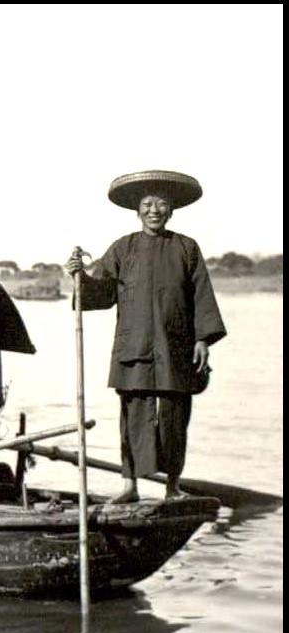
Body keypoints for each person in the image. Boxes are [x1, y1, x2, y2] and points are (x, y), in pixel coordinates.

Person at [65, 170, 226, 503]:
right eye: (148, 204)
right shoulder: (122, 249)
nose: (154, 210)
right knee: (134, 418)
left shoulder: (187, 248)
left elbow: (202, 297)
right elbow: (101, 292)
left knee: (174, 418)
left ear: (171, 210)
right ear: (137, 210)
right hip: (133, 347)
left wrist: (202, 340)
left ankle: (172, 487)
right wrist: (80, 277)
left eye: (161, 204)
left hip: (176, 349)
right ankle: (130, 486)